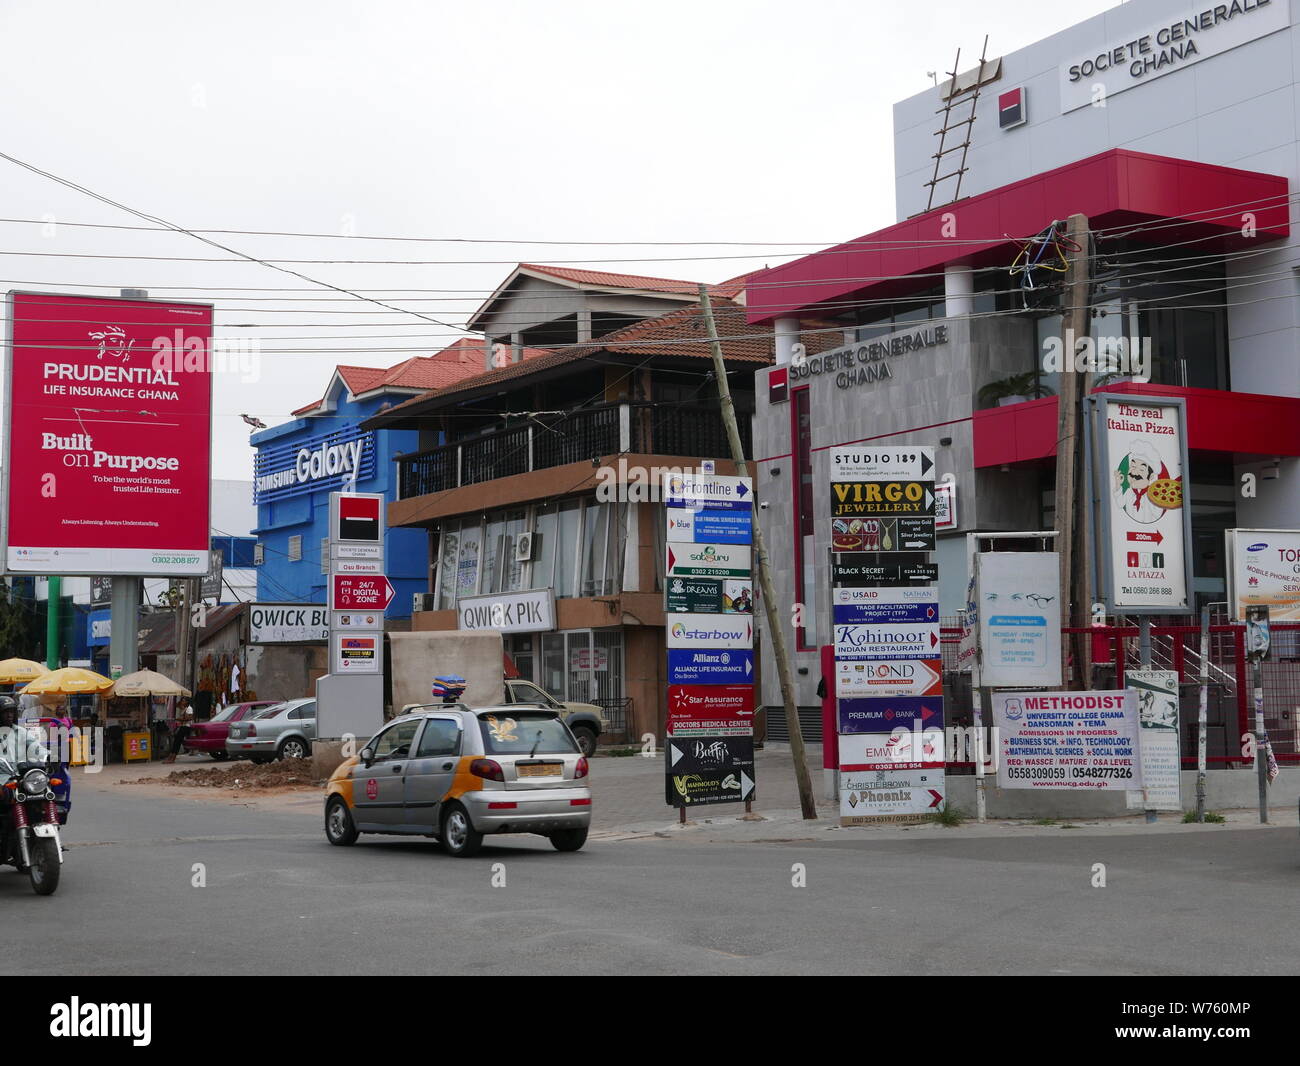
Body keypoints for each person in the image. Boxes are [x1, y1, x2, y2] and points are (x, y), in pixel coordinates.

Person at [164, 698, 194, 763]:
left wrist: (180, 719)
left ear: (187, 702)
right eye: (182, 701)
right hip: (182, 726)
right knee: (176, 741)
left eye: (184, 701)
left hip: (186, 727)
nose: (182, 702)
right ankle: (171, 757)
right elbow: (177, 705)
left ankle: (172, 758)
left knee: (177, 742)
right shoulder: (184, 708)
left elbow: (189, 718)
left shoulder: (189, 708)